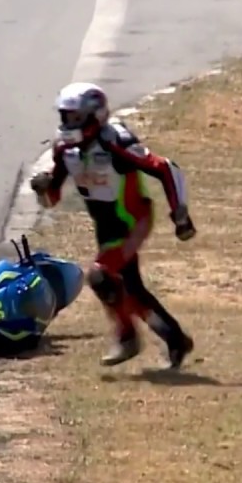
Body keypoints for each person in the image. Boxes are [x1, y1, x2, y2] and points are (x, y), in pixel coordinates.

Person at [29, 82, 198, 368]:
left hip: (133, 220)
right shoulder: (65, 149)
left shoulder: (115, 141)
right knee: (130, 289)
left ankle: (127, 337)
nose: (69, 123)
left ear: (94, 115)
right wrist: (42, 188)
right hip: (106, 227)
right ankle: (174, 338)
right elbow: (52, 199)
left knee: (101, 276)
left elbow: (165, 168)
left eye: (75, 117)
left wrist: (180, 214)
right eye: (65, 116)